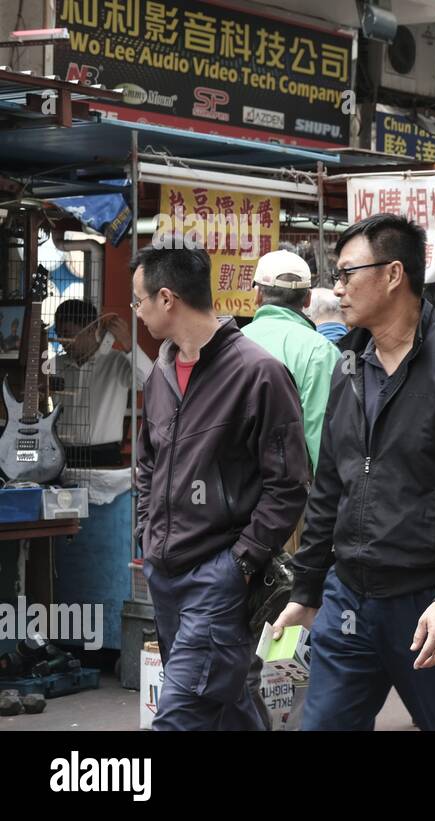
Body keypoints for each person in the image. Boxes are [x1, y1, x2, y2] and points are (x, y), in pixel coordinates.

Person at [274, 213, 435, 731]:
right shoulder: (347, 364)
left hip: (428, 601)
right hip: (348, 597)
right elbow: (329, 484)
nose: (337, 288)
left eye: (347, 273)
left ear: (394, 274)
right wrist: (307, 590)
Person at [132, 247, 310, 731]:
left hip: (217, 577)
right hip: (165, 575)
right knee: (226, 704)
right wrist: (147, 532)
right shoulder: (162, 372)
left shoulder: (258, 373)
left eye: (139, 300)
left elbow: (289, 484)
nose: (137, 311)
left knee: (179, 715)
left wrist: (239, 564)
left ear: (166, 299)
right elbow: (148, 462)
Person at [241, 251, 341, 475]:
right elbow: (323, 439)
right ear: (307, 299)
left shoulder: (231, 345)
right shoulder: (321, 351)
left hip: (233, 490)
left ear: (257, 295)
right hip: (292, 490)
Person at [51, 299, 153, 468]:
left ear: (91, 328)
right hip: (61, 453)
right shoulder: (56, 364)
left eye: (68, 333)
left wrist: (128, 343)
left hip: (103, 455)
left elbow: (150, 382)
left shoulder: (117, 361)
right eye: (59, 334)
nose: (62, 341)